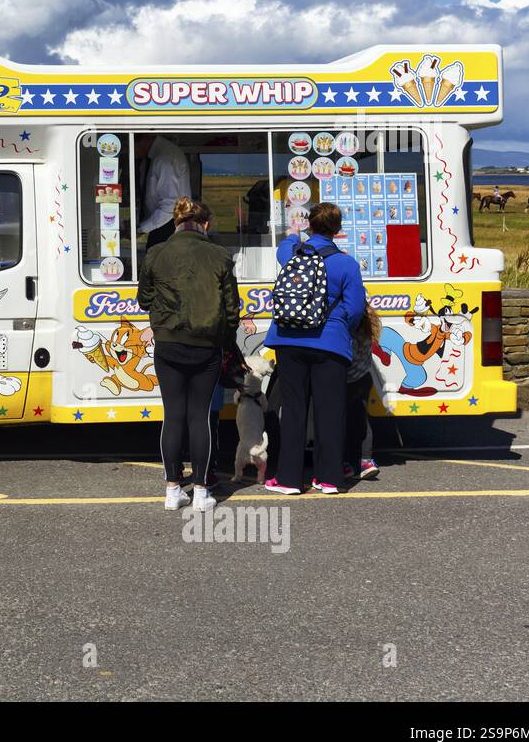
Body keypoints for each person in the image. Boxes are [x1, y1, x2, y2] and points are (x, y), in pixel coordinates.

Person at [137, 197, 240, 512]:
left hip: (168, 343)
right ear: (205, 224)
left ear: (175, 222)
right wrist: (226, 340)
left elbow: (143, 299)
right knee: (200, 418)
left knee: (174, 415)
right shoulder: (219, 255)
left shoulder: (156, 253)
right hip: (206, 345)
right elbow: (232, 309)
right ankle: (201, 491)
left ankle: (171, 490)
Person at [263, 202, 366, 495]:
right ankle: (330, 478)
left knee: (294, 410)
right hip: (330, 343)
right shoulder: (347, 264)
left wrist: (294, 233)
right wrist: (339, 328)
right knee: (329, 411)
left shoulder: (293, 254)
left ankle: (289, 480)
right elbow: (356, 308)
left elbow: (283, 246)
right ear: (338, 229)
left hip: (288, 340)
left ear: (310, 225)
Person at [343, 299, 382, 481]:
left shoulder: (350, 329)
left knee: (343, 423)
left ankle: (348, 463)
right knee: (361, 421)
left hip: (348, 380)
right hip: (364, 378)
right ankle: (365, 460)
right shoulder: (368, 326)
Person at [136, 136, 191, 249]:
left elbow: (170, 206)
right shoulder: (158, 156)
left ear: (143, 140)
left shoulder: (165, 158)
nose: (132, 152)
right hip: (163, 223)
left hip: (168, 225)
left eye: (129, 146)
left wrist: (141, 228)